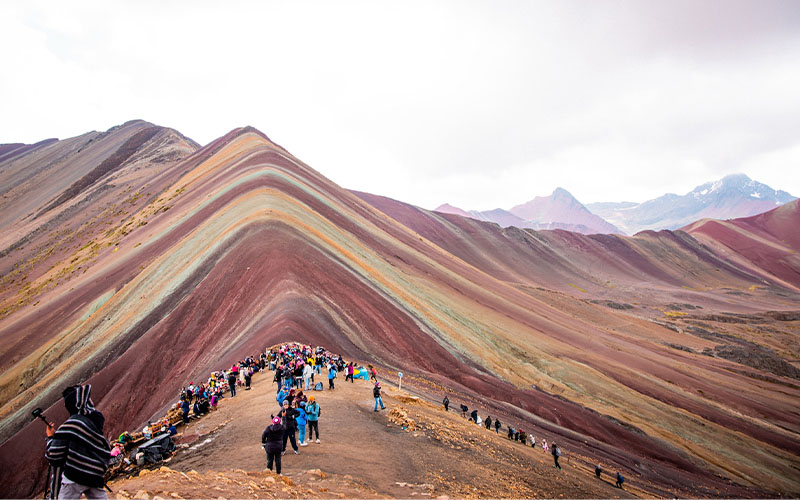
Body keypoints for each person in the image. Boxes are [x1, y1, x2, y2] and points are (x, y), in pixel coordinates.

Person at [44, 385, 111, 499]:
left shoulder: (70, 425)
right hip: (96, 473)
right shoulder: (95, 420)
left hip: (75, 476)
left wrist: (51, 437)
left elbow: (54, 456)